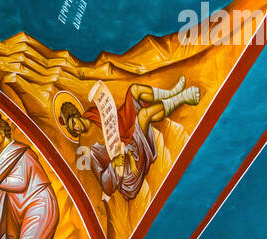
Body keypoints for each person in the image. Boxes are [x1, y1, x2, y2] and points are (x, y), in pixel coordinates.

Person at [59, 79, 200, 200]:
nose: (76, 129)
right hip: (127, 171)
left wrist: (122, 112)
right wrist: (113, 165)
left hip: (127, 138)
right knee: (144, 115)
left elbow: (115, 121)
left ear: (76, 115)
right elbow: (105, 185)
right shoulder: (87, 146)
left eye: (73, 124)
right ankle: (182, 98)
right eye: (73, 130)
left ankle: (170, 94)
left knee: (134, 90)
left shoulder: (91, 113)